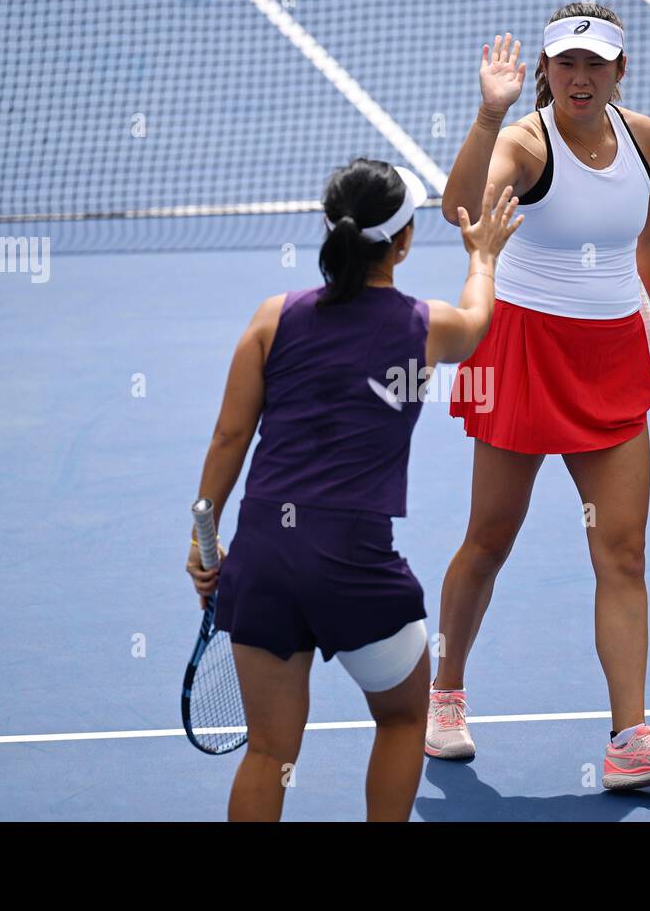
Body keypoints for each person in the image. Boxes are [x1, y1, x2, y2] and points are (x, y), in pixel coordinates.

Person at [431, 4, 650, 790]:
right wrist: (490, 114)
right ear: (548, 73)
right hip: (522, 353)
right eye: (566, 65)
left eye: (595, 65)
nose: (580, 78)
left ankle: (628, 741)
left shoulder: (644, 139)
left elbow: (649, 235)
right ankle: (445, 699)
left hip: (612, 356)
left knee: (622, 553)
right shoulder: (525, 144)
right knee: (489, 541)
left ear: (621, 71)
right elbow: (462, 210)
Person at [186, 159, 522, 819]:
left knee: (269, 752)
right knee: (401, 719)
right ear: (403, 241)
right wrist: (483, 255)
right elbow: (480, 321)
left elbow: (229, 440)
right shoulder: (426, 326)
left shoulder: (271, 318)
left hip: (262, 558)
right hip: (354, 562)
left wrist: (204, 540)